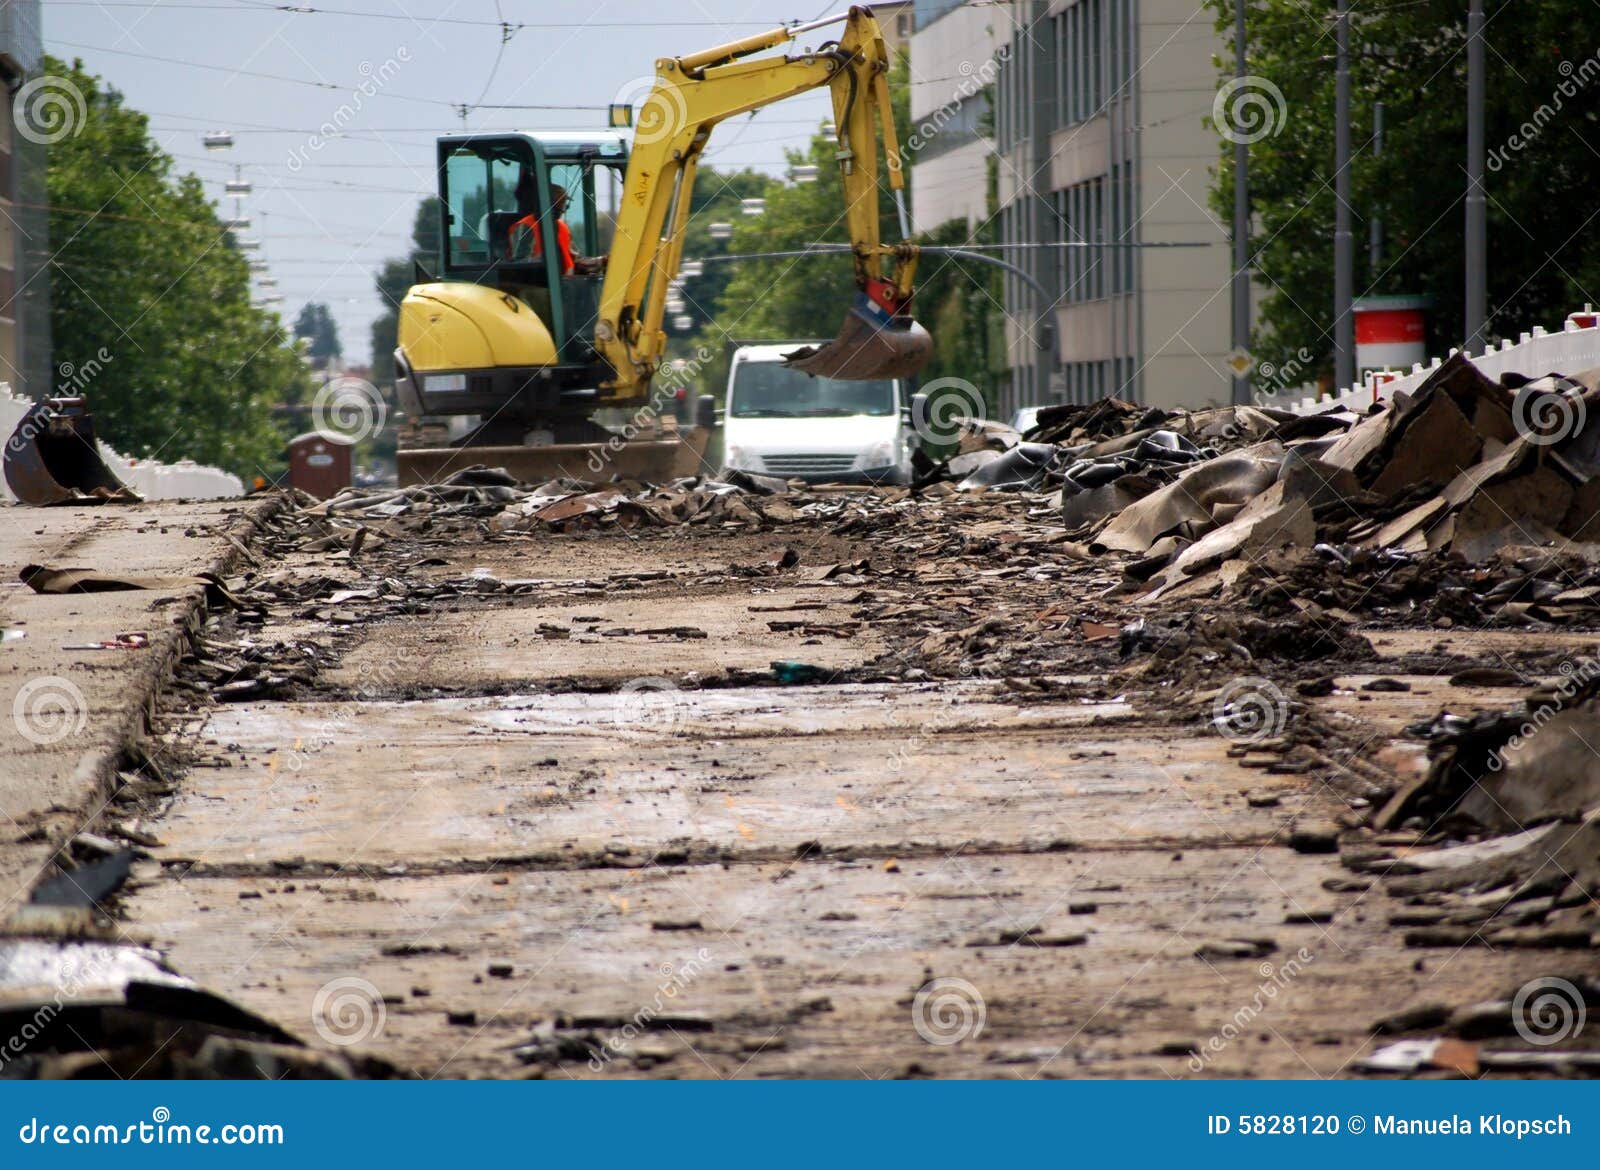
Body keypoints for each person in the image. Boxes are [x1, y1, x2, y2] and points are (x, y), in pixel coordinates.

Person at [507, 182, 605, 276]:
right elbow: (519, 263)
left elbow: (575, 260)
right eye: (560, 203)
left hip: (565, 285)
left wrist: (602, 261)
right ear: (548, 203)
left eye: (564, 203)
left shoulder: (563, 227)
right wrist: (545, 260)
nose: (563, 208)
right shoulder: (525, 226)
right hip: (535, 286)